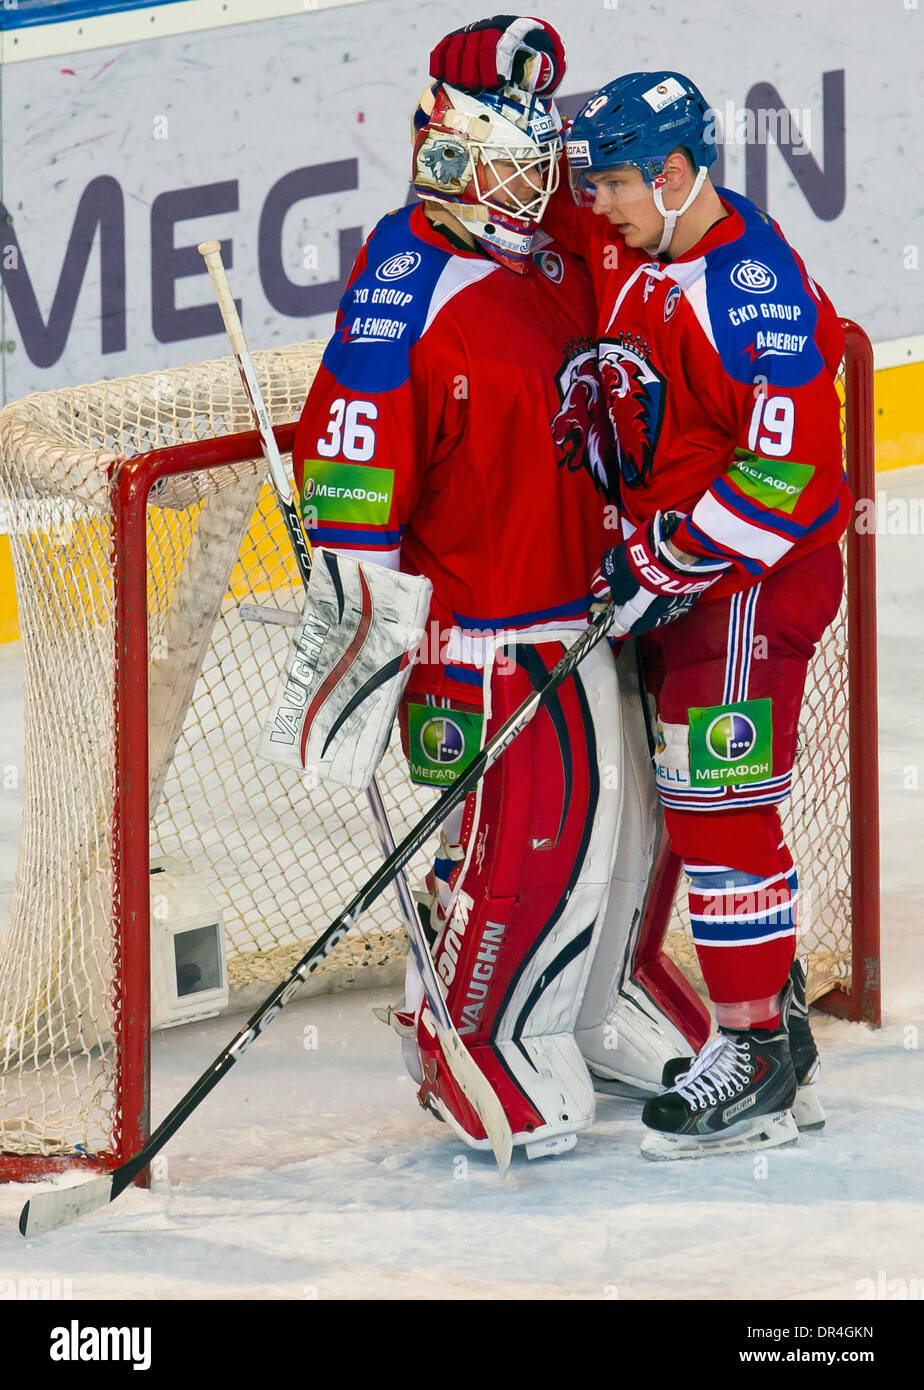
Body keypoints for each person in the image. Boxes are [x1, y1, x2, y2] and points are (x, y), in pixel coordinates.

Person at [431, 18, 848, 1158]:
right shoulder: (651, 255)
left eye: (613, 182)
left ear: (673, 175)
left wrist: (669, 554)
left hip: (754, 589)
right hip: (699, 587)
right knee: (704, 808)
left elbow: (788, 465)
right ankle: (779, 1039)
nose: (596, 204)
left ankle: (754, 1057)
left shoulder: (750, 285)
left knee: (721, 810)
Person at [292, 70, 707, 1160]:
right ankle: (470, 1032)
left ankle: (594, 1003)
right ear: (447, 159)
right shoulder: (405, 286)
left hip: (591, 607)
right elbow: (345, 480)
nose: (537, 189)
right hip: (486, 636)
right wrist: (353, 634)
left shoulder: (550, 245)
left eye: (542, 163)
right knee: (533, 849)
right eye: (512, 166)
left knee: (634, 829)